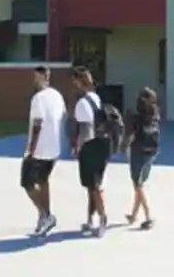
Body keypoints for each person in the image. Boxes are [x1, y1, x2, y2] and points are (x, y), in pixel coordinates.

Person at [24, 66, 66, 237]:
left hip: (40, 150)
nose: (34, 80)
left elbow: (38, 124)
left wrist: (31, 150)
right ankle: (44, 216)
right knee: (43, 181)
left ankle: (46, 214)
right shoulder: (57, 96)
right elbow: (63, 117)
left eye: (36, 77)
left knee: (27, 183)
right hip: (54, 149)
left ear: (43, 77)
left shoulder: (38, 98)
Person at [71, 66, 110, 237]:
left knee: (94, 186)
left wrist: (77, 148)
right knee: (92, 185)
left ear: (79, 81)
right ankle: (90, 219)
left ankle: (102, 219)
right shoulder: (96, 98)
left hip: (90, 146)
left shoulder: (81, 103)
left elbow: (84, 131)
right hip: (103, 144)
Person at [123, 87, 160, 230]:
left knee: (137, 184)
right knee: (140, 184)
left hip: (138, 151)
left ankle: (148, 216)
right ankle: (134, 215)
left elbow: (131, 135)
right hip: (152, 151)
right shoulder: (156, 115)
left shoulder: (137, 117)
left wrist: (125, 148)